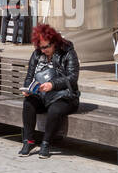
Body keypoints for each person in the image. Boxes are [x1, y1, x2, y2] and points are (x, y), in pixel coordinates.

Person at [18, 23, 80, 158]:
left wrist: (53, 84)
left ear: (54, 43)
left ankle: (46, 143)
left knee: (55, 110)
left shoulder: (67, 52)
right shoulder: (37, 54)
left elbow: (73, 77)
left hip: (65, 96)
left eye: (46, 47)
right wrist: (28, 88)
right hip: (43, 95)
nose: (43, 50)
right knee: (28, 103)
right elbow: (29, 76)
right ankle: (28, 141)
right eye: (40, 47)